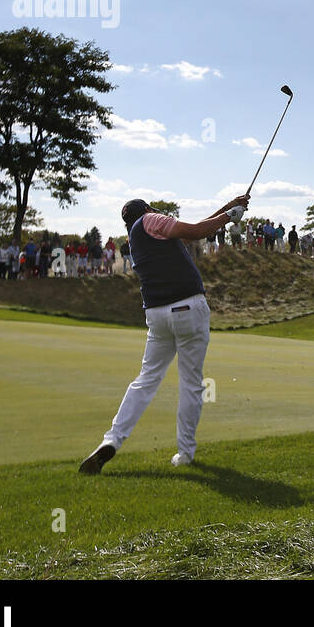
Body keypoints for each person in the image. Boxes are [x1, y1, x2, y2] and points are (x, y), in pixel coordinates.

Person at [79, 193, 250, 475]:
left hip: (157, 317)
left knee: (145, 381)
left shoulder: (138, 239)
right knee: (191, 383)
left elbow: (192, 231)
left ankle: (111, 440)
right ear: (146, 210)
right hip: (187, 309)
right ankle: (185, 453)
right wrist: (231, 217)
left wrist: (227, 208)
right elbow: (196, 231)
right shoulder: (151, 220)